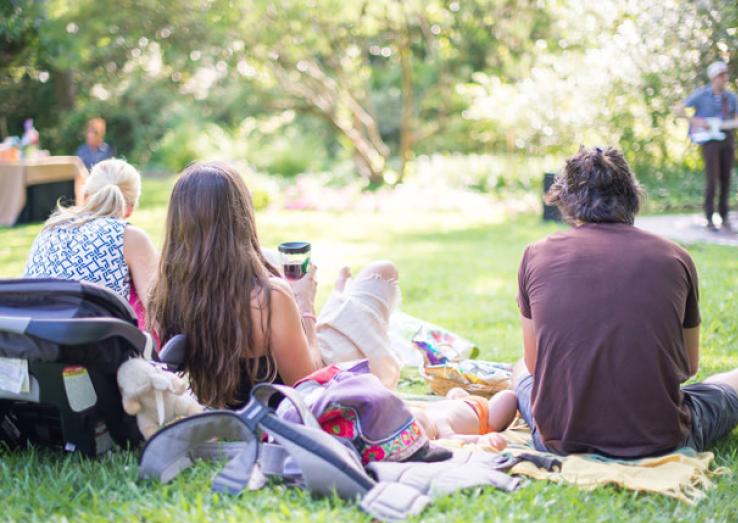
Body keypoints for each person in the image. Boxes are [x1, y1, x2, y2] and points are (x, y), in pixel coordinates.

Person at [513, 146, 738, 458]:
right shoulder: (674, 256)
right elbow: (688, 365)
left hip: (560, 437)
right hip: (661, 436)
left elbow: (535, 365)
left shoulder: (535, 254)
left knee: (517, 369)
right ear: (632, 195)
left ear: (564, 199)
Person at [148, 161, 401, 409]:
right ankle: (340, 304)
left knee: (355, 296)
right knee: (381, 273)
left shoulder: (164, 292)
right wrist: (304, 303)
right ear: (241, 218)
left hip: (231, 412)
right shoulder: (269, 297)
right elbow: (308, 386)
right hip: (299, 403)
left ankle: (338, 302)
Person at [24, 158, 158, 325]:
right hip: (93, 346)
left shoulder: (49, 230)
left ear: (85, 196)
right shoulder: (129, 237)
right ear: (129, 209)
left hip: (37, 341)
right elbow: (158, 311)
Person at [674, 61, 738, 230]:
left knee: (726, 178)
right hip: (709, 142)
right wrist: (697, 122)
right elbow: (680, 109)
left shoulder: (731, 98)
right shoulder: (701, 95)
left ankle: (724, 215)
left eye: (725, 75)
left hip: (727, 138)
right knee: (712, 179)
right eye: (720, 75)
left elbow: (736, 119)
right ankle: (709, 216)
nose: (724, 78)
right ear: (713, 77)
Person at [410, 387, 517, 450]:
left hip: (463, 402)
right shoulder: (441, 433)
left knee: (455, 391)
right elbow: (453, 439)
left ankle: (460, 396)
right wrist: (480, 439)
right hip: (485, 416)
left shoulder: (430, 417)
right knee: (508, 396)